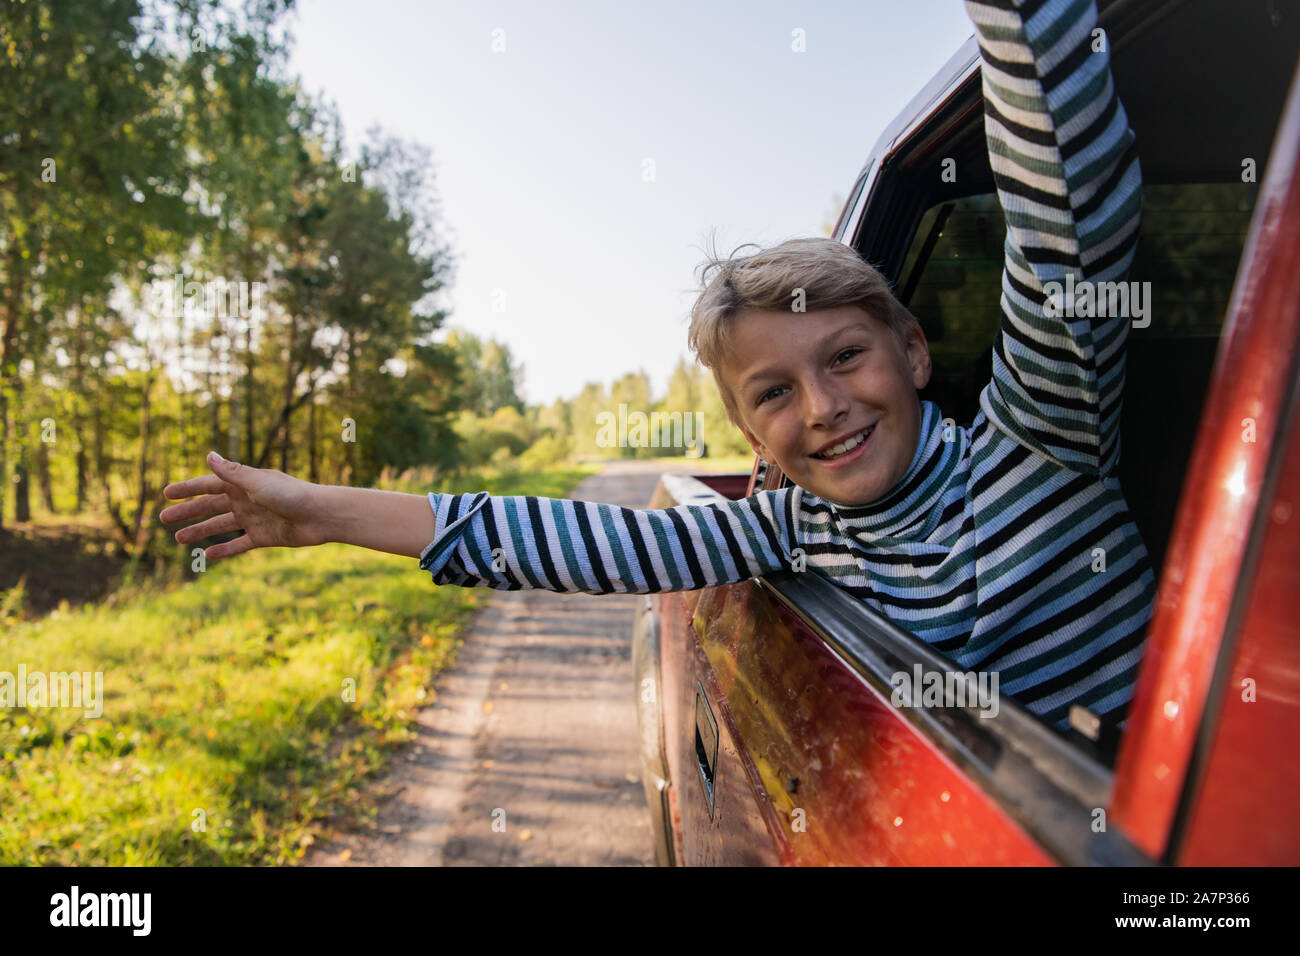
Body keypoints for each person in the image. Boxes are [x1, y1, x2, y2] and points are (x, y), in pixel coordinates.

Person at [162, 0, 1155, 738]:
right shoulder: (787, 530)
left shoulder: (1043, 432)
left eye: (846, 355)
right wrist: (320, 512)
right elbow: (562, 537)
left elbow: (1074, 220)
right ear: (747, 430)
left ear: (913, 349)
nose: (823, 407)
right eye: (773, 391)